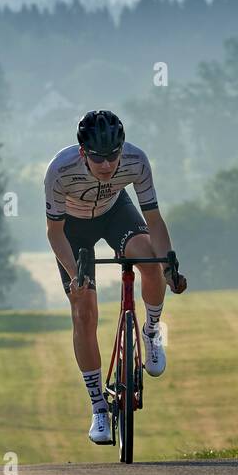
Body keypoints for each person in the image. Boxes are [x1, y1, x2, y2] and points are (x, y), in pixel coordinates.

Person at [43, 109, 186, 445]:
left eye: (113, 156)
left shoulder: (136, 161)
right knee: (83, 311)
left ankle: (151, 332)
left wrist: (168, 269)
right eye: (98, 158)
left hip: (114, 213)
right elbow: (54, 233)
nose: (107, 165)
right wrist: (75, 276)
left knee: (149, 261)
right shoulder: (59, 170)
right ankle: (98, 408)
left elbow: (154, 220)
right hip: (72, 229)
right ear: (83, 153)